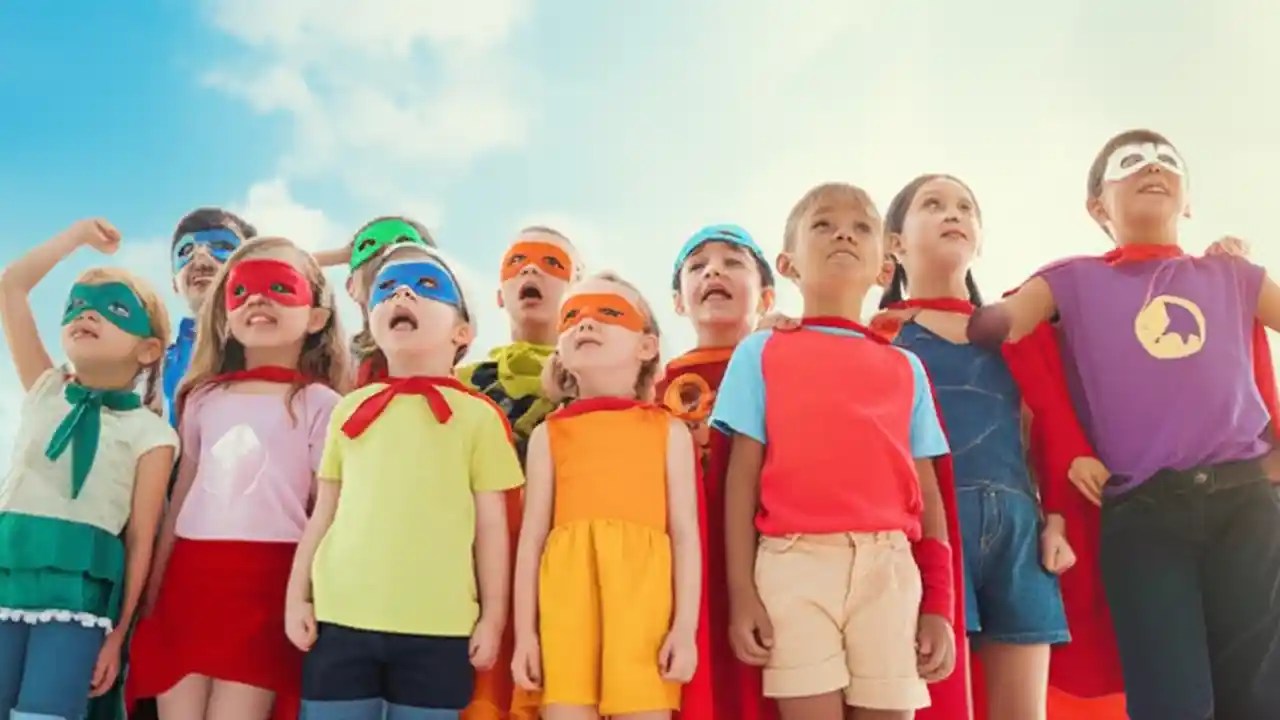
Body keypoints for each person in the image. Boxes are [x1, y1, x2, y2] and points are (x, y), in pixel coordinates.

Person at [967, 129, 1280, 720]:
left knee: (1257, 689)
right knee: (1170, 695)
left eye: (1167, 161)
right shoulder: (1074, 280)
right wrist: (996, 318)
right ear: (1097, 207)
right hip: (1144, 514)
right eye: (1130, 162)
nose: (1152, 167)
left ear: (1187, 199)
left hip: (1245, 504)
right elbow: (1010, 323)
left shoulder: (1232, 275)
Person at [713, 182, 968, 720]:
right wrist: (741, 593)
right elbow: (739, 481)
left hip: (891, 568)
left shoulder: (906, 369)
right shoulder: (760, 351)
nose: (843, 233)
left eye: (861, 227)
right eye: (823, 224)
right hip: (791, 565)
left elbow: (930, 497)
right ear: (787, 263)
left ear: (884, 266)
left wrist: (939, 605)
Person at [287, 248, 524, 720]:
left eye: (426, 286)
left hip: (439, 628)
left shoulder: (479, 417)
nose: (402, 291)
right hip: (340, 619)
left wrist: (494, 618)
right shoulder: (347, 410)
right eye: (387, 289)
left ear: (463, 332)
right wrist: (297, 595)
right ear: (371, 323)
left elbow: (492, 529)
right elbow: (324, 513)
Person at [872, 175, 1074, 720]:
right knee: (937, 706)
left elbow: (1048, 431)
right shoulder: (878, 337)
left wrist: (1056, 519)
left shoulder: (1015, 330)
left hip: (1020, 536)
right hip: (931, 535)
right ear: (894, 243)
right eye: (932, 205)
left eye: (964, 207)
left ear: (980, 239)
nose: (951, 213)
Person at [128, 236, 347, 720]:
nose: (257, 299)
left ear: (316, 317)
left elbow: (323, 511)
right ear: (224, 316)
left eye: (279, 287)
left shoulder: (324, 406)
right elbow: (180, 498)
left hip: (269, 585)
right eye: (242, 290)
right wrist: (154, 595)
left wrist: (304, 597)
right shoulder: (200, 399)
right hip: (189, 581)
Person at [0, 219, 178, 720]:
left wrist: (119, 635)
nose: (87, 314)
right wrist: (76, 237)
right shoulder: (44, 388)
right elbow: (11, 285)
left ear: (148, 350)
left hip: (80, 592)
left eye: (113, 309)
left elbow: (142, 539)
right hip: (5, 571)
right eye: (76, 305)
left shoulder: (153, 434)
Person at [511, 271, 701, 720]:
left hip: (644, 611)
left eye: (609, 313)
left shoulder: (669, 431)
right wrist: (526, 636)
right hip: (565, 609)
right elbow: (531, 542)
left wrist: (685, 629)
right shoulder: (548, 435)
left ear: (647, 347)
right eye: (572, 316)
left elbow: (685, 536)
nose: (586, 323)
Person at [455, 225, 583, 720]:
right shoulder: (465, 381)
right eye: (518, 263)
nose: (532, 270)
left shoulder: (606, 376)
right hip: (483, 569)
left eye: (553, 263)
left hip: (566, 570)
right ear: (498, 294)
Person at [656, 224, 777, 720]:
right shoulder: (655, 385)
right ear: (679, 302)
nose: (714, 271)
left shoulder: (782, 367)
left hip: (769, 553)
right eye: (697, 265)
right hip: (686, 563)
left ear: (767, 296)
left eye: (733, 262)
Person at [162, 208, 257, 425]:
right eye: (185, 250)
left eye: (223, 247)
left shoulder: (277, 345)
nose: (201, 259)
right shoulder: (158, 364)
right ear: (174, 283)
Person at [318, 216, 436, 386]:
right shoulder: (343, 367)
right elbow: (282, 265)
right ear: (352, 287)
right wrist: (343, 255)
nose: (400, 293)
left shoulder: (445, 353)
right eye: (384, 284)